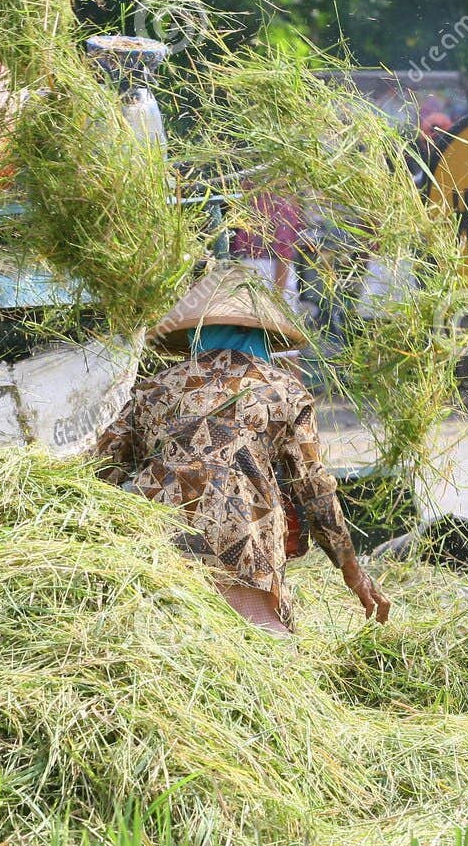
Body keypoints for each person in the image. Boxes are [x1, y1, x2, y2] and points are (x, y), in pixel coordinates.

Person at [95, 263, 390, 633]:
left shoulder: (153, 388)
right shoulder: (285, 390)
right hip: (242, 544)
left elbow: (102, 469)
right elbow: (313, 489)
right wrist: (353, 573)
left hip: (157, 542)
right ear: (262, 337)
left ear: (197, 334)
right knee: (261, 652)